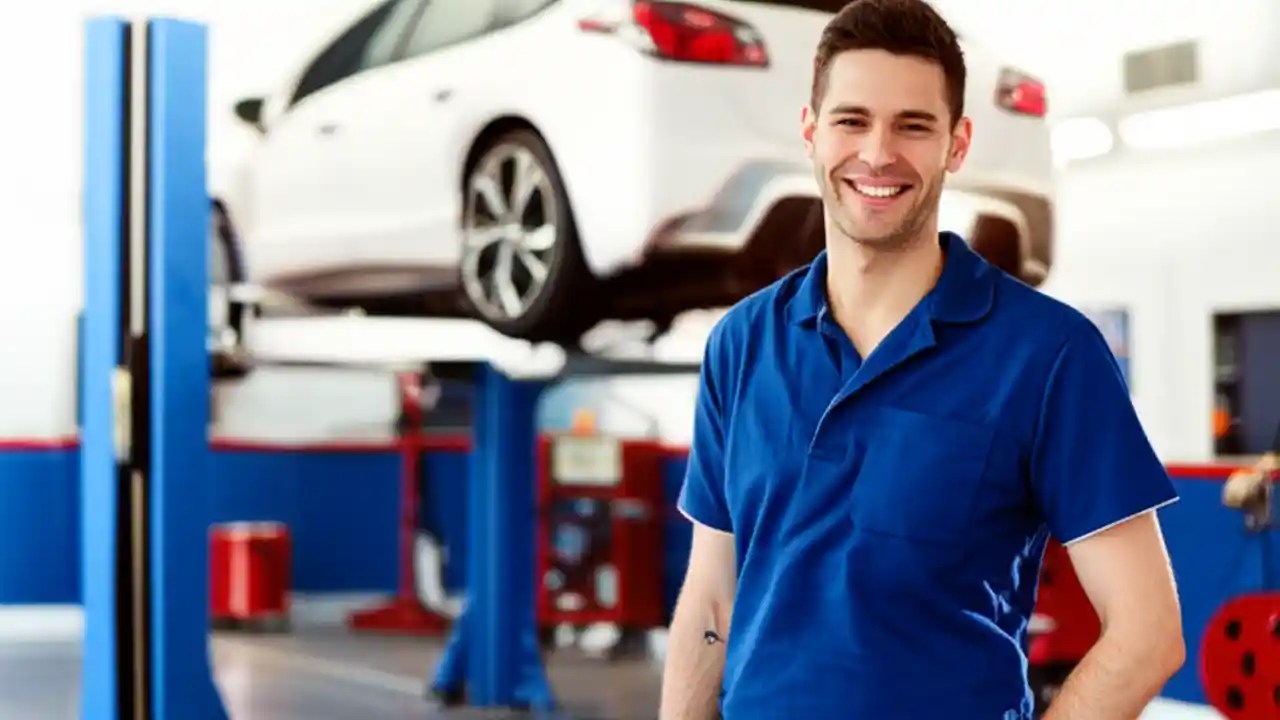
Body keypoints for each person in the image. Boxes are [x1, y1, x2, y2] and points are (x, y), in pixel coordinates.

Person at [658, 1, 1185, 718]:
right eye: (852, 121)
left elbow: (1148, 634)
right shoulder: (742, 343)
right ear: (811, 132)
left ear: (956, 144)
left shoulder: (1048, 354)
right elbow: (712, 598)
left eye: (913, 125)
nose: (877, 154)